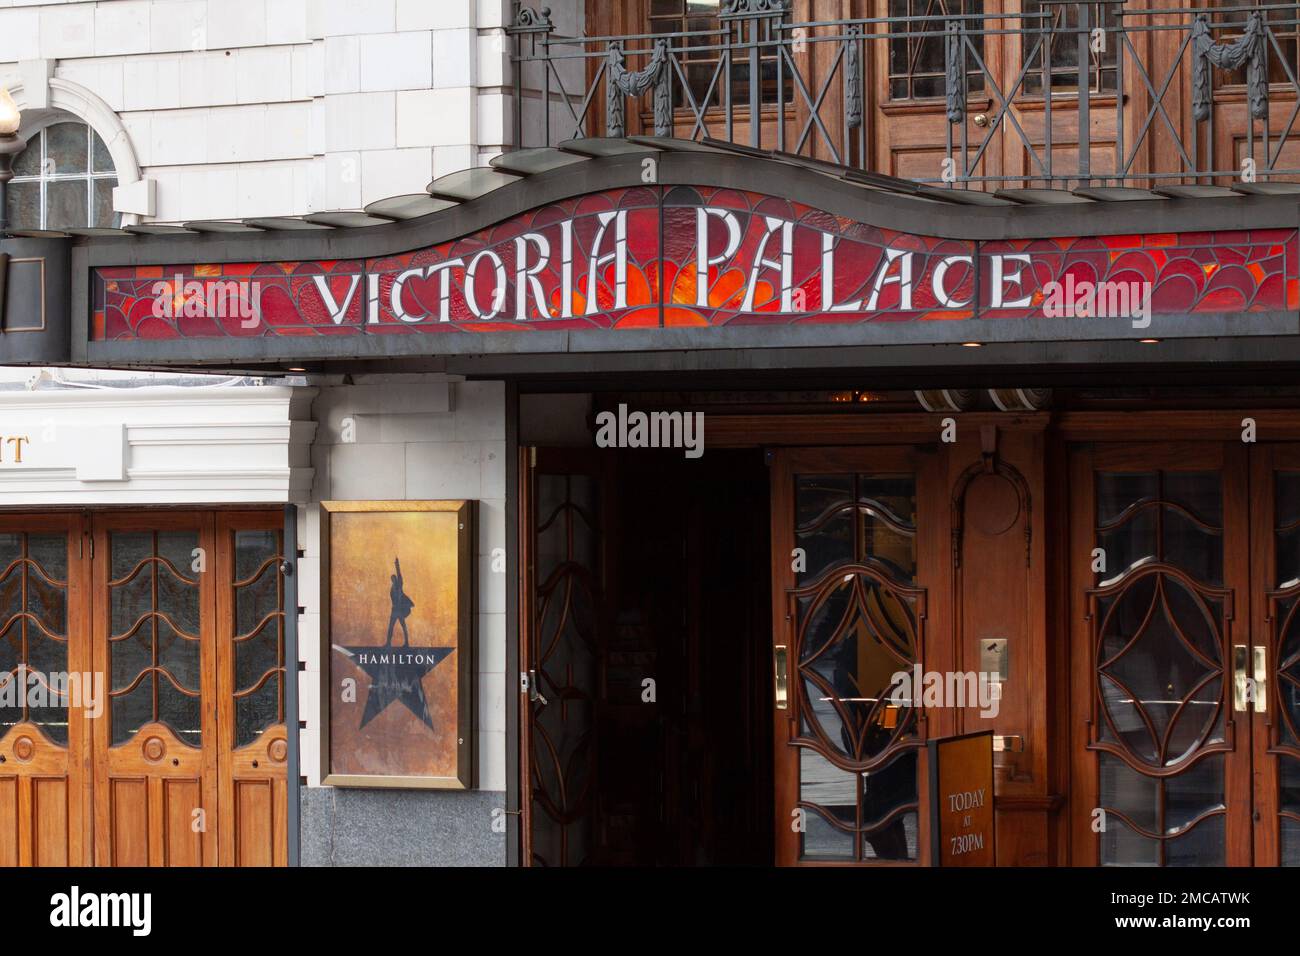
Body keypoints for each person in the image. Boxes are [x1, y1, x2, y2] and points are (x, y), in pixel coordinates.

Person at [385, 557, 415, 647]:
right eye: (392, 579)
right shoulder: (392, 588)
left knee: (403, 626)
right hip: (394, 610)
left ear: (396, 579)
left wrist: (396, 564)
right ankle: (388, 643)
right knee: (391, 627)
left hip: (400, 610)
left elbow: (399, 574)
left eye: (394, 578)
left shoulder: (399, 585)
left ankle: (406, 643)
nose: (393, 579)